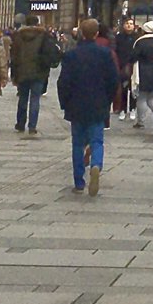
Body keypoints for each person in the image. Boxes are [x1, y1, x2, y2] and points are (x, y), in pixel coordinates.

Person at [58, 17, 119, 196]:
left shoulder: (71, 55)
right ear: (97, 34)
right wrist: (107, 99)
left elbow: (63, 83)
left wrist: (65, 103)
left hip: (76, 105)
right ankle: (96, 165)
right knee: (97, 140)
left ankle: (79, 181)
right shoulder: (105, 54)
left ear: (81, 34)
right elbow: (113, 80)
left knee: (77, 144)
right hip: (98, 104)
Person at [10, 14, 61, 135]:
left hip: (22, 71)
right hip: (38, 72)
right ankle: (32, 126)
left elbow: (14, 56)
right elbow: (50, 52)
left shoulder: (18, 36)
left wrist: (13, 74)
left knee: (22, 99)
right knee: (35, 99)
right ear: (37, 23)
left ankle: (20, 124)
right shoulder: (43, 36)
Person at [132, 18, 153, 134]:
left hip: (143, 72)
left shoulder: (140, 42)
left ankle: (140, 121)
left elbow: (134, 56)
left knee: (142, 97)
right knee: (151, 98)